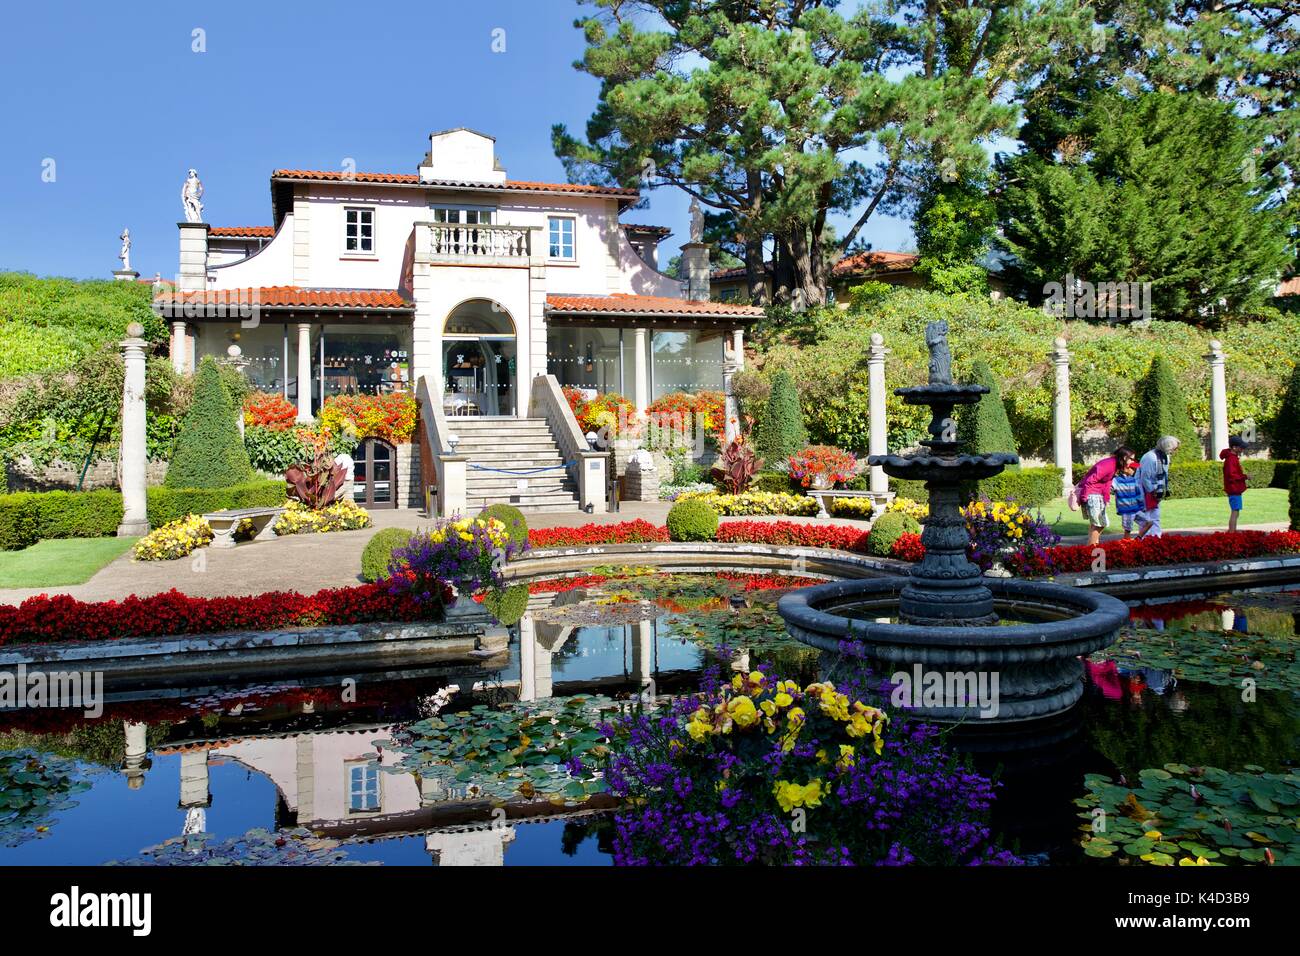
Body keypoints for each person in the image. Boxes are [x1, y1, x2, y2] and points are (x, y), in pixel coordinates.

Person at [1077, 446, 1135, 546]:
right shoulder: (1108, 464)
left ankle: (1092, 547)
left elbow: (1107, 482)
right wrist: (1084, 496)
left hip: (1097, 495)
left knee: (1096, 524)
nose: (1132, 462)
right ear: (1125, 457)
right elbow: (1090, 480)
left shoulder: (1114, 465)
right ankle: (1091, 548)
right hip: (1092, 495)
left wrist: (1106, 498)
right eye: (1131, 459)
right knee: (1100, 524)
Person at [1136, 435, 1180, 538]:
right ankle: (1145, 539)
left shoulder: (1165, 456)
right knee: (1146, 517)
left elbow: (1164, 474)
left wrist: (1161, 489)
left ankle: (1156, 538)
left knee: (1155, 516)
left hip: (1156, 489)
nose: (1175, 451)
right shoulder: (1150, 457)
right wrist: (1152, 491)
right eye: (1174, 448)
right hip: (1145, 490)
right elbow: (1145, 478)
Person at [1220, 434, 1248, 531]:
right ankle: (1232, 534)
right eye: (1240, 447)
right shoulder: (1231, 459)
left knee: (1236, 512)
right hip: (1234, 489)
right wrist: (1245, 476)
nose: (1242, 449)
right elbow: (1232, 475)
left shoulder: (1232, 457)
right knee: (1235, 512)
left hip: (1234, 489)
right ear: (1234, 447)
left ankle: (1232, 532)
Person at [1111, 457, 1143, 538]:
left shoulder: (1133, 480)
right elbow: (1110, 488)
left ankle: (1137, 540)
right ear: (1126, 468)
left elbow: (1138, 494)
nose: (1134, 470)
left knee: (1149, 523)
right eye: (1133, 468)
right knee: (1128, 530)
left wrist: (1142, 506)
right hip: (1126, 510)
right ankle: (1126, 546)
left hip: (1136, 509)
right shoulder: (1116, 480)